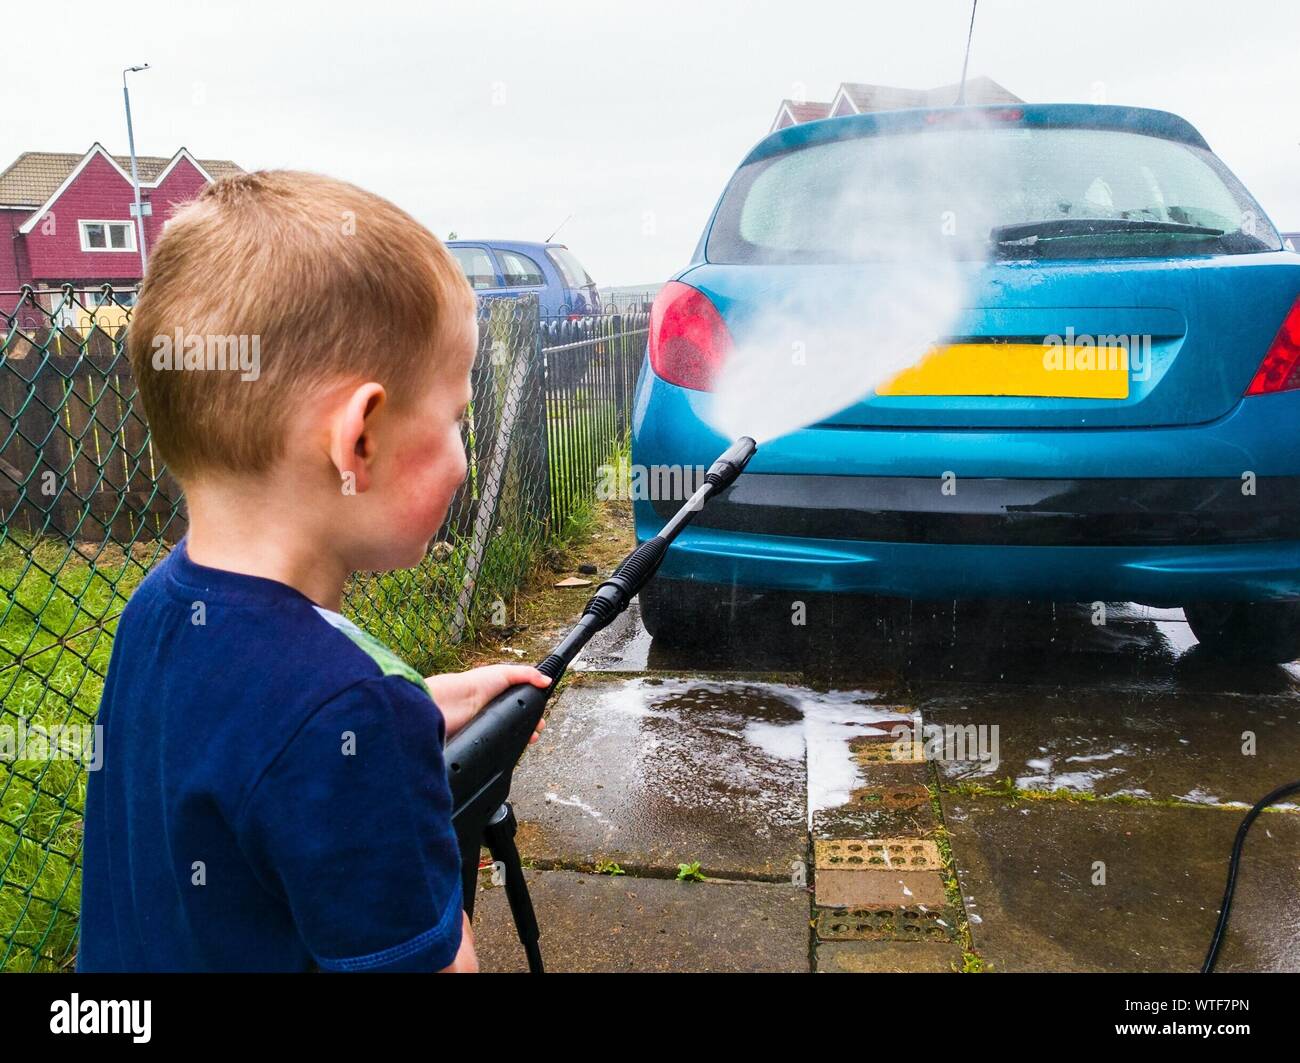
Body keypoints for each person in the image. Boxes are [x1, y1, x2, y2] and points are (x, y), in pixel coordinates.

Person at [78, 170, 547, 972]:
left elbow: (239, 747)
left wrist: (423, 705)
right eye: (456, 418)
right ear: (358, 440)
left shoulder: (157, 611)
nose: (465, 463)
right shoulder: (349, 712)